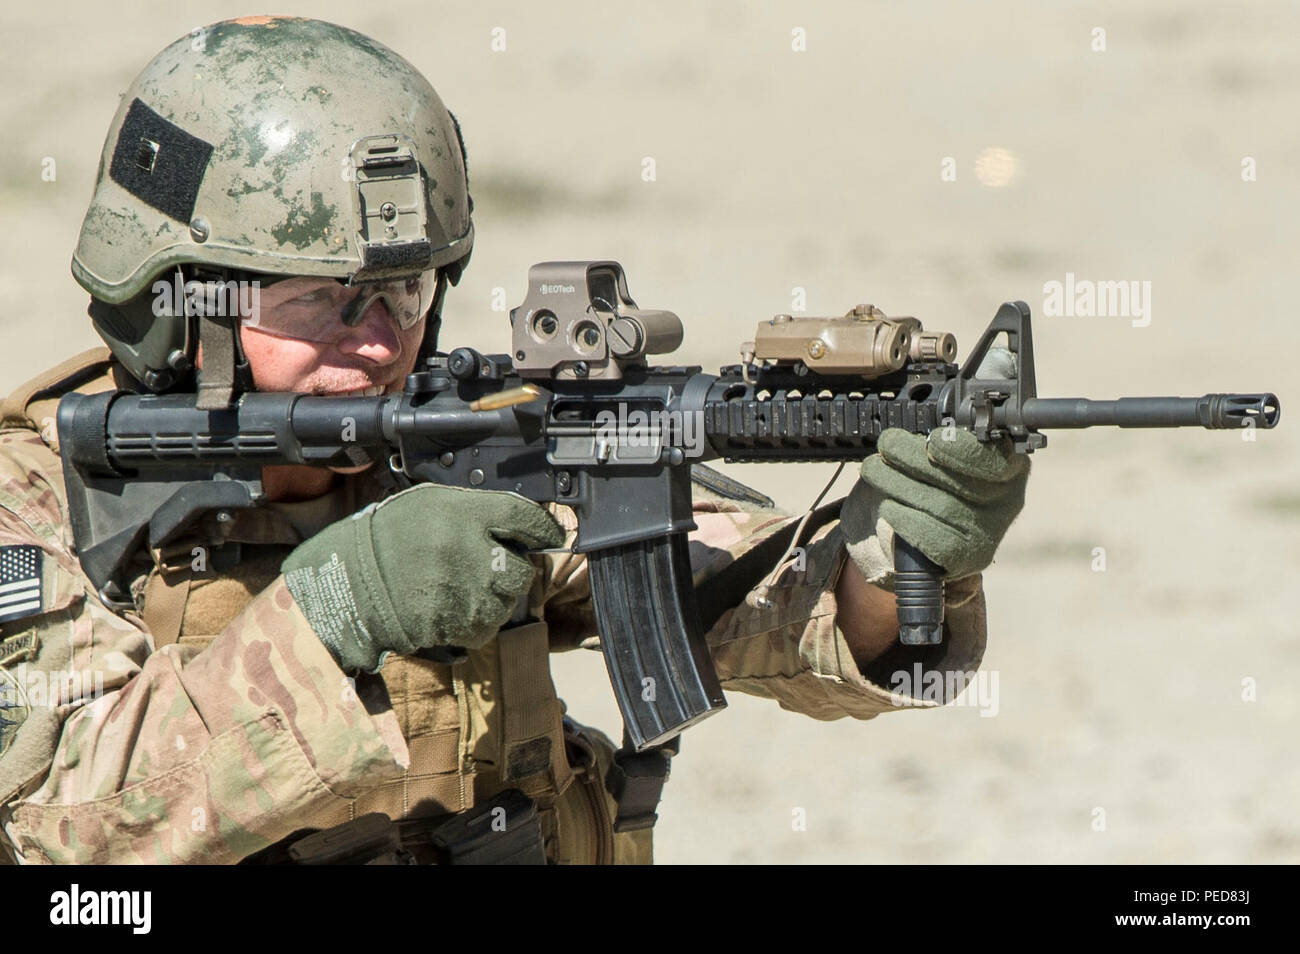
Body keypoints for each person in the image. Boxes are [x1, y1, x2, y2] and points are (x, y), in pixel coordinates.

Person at [0, 16, 1028, 864]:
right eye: (321, 300)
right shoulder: (36, 503)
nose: (376, 346)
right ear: (182, 310)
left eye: (404, 292)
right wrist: (336, 612)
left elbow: (758, 606)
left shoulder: (463, 433)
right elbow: (68, 831)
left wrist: (898, 558)